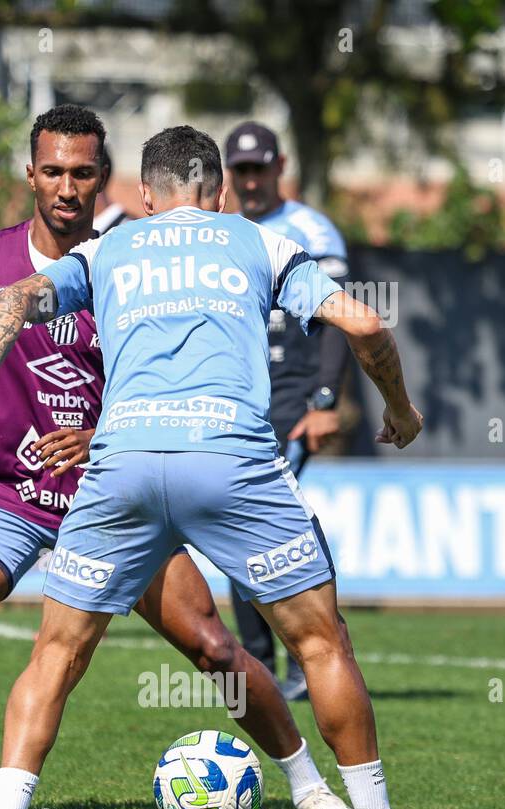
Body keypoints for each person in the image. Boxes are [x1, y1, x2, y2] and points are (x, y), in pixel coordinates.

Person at [0, 106, 348, 809]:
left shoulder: (141, 261)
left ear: (106, 178)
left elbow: (180, 377)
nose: (67, 187)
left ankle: (306, 780)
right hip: (5, 491)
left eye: (83, 172)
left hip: (115, 493)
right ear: (31, 174)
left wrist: (99, 432)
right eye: (53, 171)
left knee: (211, 646)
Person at [0, 124, 425, 809]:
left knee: (57, 654)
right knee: (322, 642)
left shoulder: (109, 248)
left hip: (121, 462)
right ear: (221, 192)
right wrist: (399, 405)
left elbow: (12, 298)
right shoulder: (256, 242)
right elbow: (364, 324)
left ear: (142, 196)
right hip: (231, 462)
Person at [225, 121, 352, 700]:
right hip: (232, 400)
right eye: (240, 170)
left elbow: (338, 321)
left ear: (280, 167)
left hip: (290, 401)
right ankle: (262, 664)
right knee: (234, 529)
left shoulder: (310, 228)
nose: (250, 181)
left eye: (258, 168)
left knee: (268, 531)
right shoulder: (223, 230)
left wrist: (325, 401)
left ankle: (307, 656)